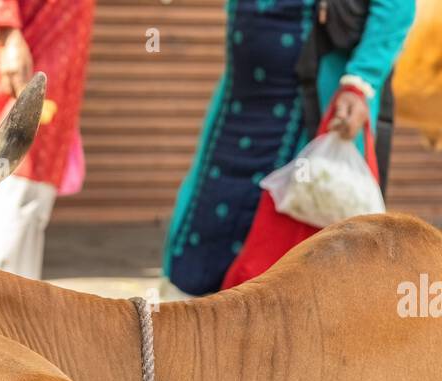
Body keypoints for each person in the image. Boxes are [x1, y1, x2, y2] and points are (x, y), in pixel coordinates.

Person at [164, 0, 414, 296]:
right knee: (202, 254)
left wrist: (361, 81)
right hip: (239, 105)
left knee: (290, 283)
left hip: (313, 106)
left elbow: (396, 6)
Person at [0, 0, 96, 279]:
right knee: (16, 180)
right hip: (33, 52)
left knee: (36, 199)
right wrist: (9, 35)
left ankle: (21, 310)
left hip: (64, 60)